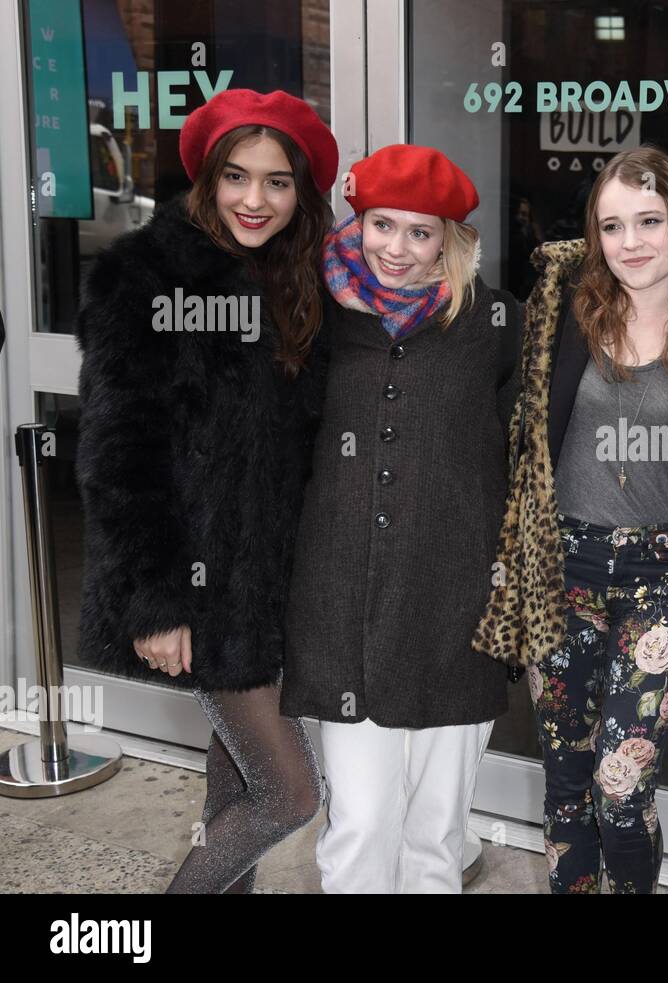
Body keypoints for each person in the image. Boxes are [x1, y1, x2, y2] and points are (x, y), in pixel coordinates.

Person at [75, 88, 338, 893]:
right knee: (291, 793)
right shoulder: (145, 274)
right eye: (236, 177)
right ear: (205, 181)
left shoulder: (293, 279)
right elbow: (118, 450)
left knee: (238, 789)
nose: (255, 199)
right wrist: (155, 597)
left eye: (277, 182)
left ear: (301, 193)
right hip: (197, 584)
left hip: (267, 581)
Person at [474, 145, 668, 893]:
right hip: (565, 569)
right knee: (565, 783)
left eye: (649, 220)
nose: (631, 242)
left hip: (662, 574)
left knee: (621, 790)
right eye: (612, 224)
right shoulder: (563, 312)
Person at [280, 144, 520, 893]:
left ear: (451, 241)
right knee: (359, 824)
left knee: (436, 835)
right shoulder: (313, 319)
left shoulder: (494, 325)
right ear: (359, 222)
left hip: (457, 613)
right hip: (340, 611)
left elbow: (525, 463)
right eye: (383, 225)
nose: (398, 249)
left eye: (422, 232)